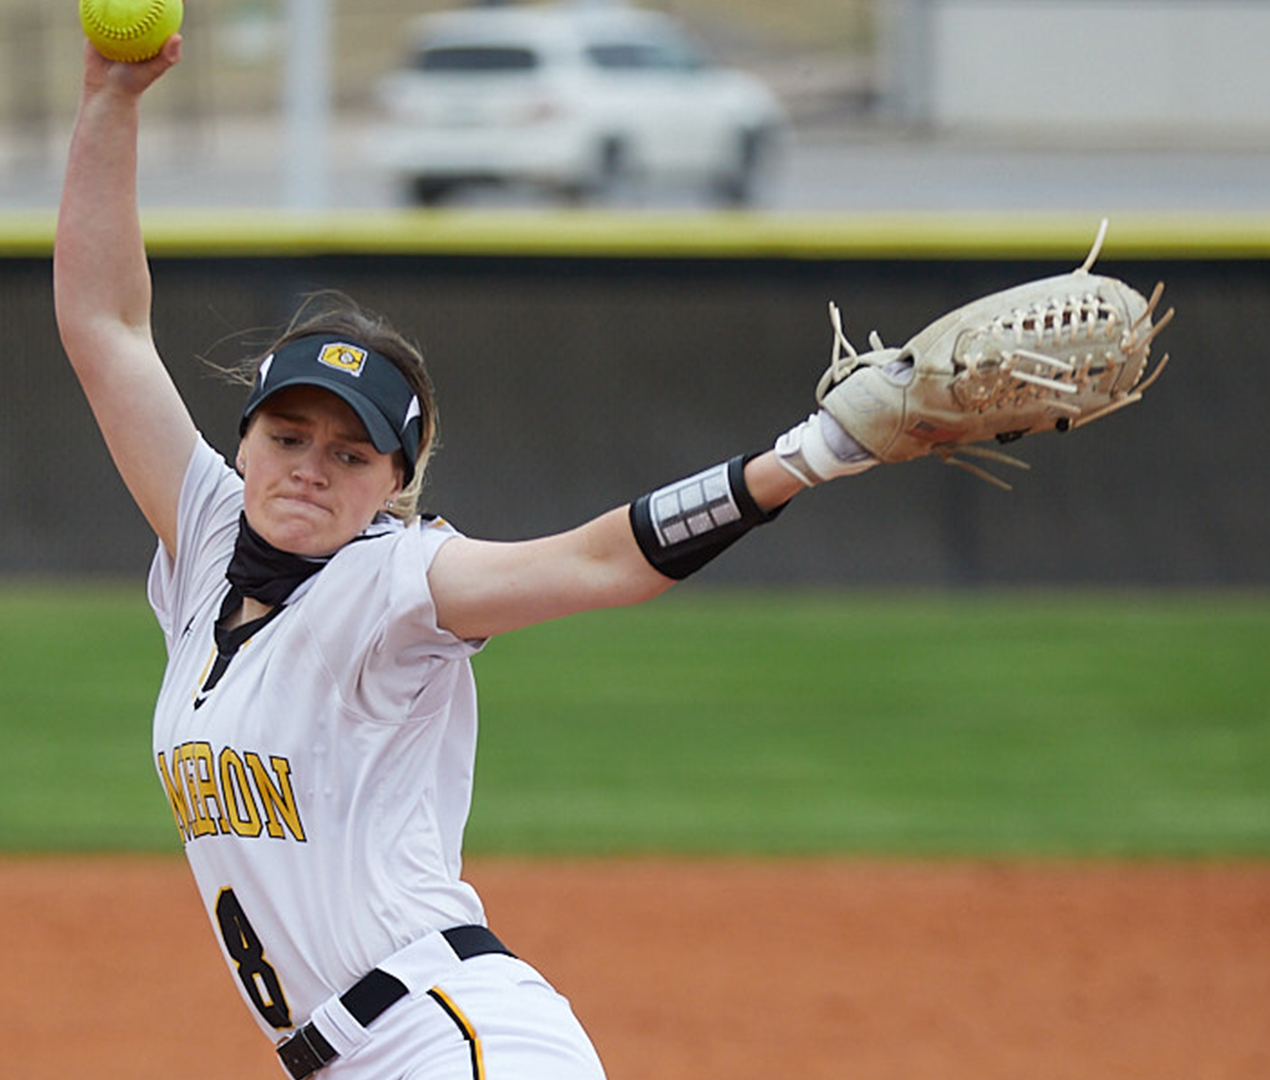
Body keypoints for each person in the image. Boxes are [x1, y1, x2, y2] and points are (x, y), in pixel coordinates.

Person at [54, 36, 874, 1080]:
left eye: (350, 453)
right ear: (246, 439)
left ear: (394, 481)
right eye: (289, 437)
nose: (310, 468)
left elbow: (598, 563)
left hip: (455, 1040)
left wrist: (806, 457)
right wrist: (107, 100)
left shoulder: (398, 584)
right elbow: (104, 325)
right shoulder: (208, 539)